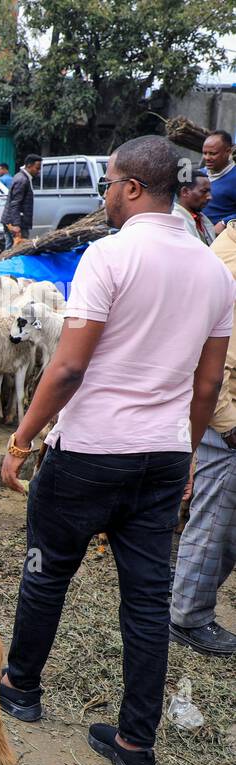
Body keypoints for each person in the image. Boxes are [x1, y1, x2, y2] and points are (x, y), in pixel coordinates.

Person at [0, 135, 234, 765]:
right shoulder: (214, 271)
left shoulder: (107, 258)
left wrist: (21, 439)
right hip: (161, 455)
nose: (103, 195)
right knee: (148, 599)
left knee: (47, 572)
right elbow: (208, 387)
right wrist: (184, 455)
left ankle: (20, 686)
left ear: (131, 187)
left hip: (90, 452)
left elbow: (70, 365)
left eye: (108, 183)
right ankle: (135, 745)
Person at [170, 224, 236, 656]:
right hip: (227, 417)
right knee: (216, 516)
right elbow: (215, 361)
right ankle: (187, 615)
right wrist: (228, 423)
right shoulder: (228, 263)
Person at [1, 154, 41, 249]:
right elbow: (15, 204)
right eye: (37, 168)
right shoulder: (22, 180)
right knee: (17, 252)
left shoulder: (21, 177)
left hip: (12, 221)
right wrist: (16, 225)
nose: (39, 171)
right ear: (29, 166)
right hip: (16, 223)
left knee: (10, 251)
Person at [201, 131, 235, 232]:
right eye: (204, 153)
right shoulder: (199, 175)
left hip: (222, 239)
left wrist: (225, 222)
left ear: (228, 152)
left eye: (212, 153)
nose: (207, 158)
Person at [173, 171, 216, 245]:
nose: (210, 197)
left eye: (209, 192)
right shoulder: (175, 222)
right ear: (185, 191)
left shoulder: (202, 219)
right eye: (204, 191)